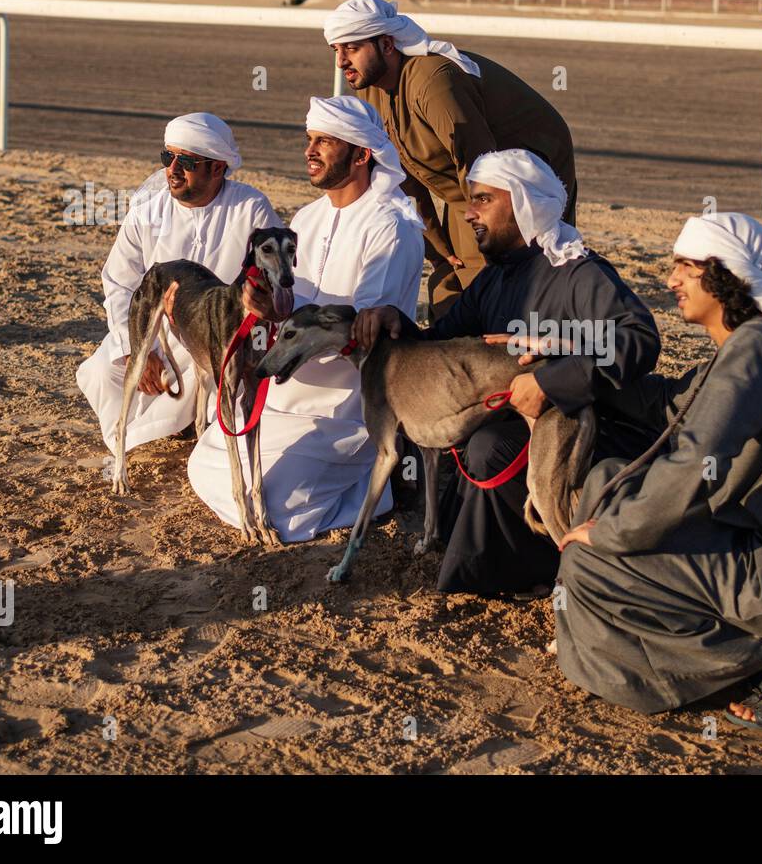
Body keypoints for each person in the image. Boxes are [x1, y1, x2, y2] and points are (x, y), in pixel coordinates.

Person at [552, 212, 762, 730]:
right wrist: (568, 359)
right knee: (609, 476)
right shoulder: (754, 345)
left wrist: (611, 533)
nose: (671, 280)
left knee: (592, 561)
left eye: (685, 266)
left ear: (723, 274)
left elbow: (693, 464)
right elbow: (669, 404)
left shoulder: (758, 348)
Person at [352, 149, 659, 595]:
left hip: (597, 423)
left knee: (489, 446)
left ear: (522, 203)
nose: (469, 212)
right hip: (519, 424)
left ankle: (548, 570)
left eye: (482, 200)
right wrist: (396, 325)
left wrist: (551, 380)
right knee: (482, 440)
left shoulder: (577, 272)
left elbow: (640, 341)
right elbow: (441, 346)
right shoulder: (494, 280)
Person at [186, 96, 424, 541]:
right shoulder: (308, 219)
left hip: (346, 407)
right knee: (205, 464)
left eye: (324, 142)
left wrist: (284, 313)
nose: (309, 151)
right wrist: (258, 305)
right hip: (282, 393)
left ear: (360, 154)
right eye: (309, 140)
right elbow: (285, 302)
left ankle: (381, 483)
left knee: (274, 504)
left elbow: (362, 330)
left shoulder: (391, 226)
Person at [324, 0, 577, 316]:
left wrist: (483, 234)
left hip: (522, 174)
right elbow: (394, 170)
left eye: (352, 48)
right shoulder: (371, 87)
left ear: (387, 44)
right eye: (336, 49)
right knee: (448, 270)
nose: (341, 61)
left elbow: (481, 162)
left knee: (497, 272)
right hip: (467, 181)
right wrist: (435, 244)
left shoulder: (433, 82)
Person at [77, 112, 283, 454]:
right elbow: (119, 281)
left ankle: (188, 425)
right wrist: (135, 349)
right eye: (167, 156)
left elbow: (277, 280)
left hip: (221, 339)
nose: (171, 169)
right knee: (102, 371)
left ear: (217, 168)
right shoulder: (149, 210)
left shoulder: (250, 208)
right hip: (159, 337)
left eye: (185, 161)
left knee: (231, 397)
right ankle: (143, 434)